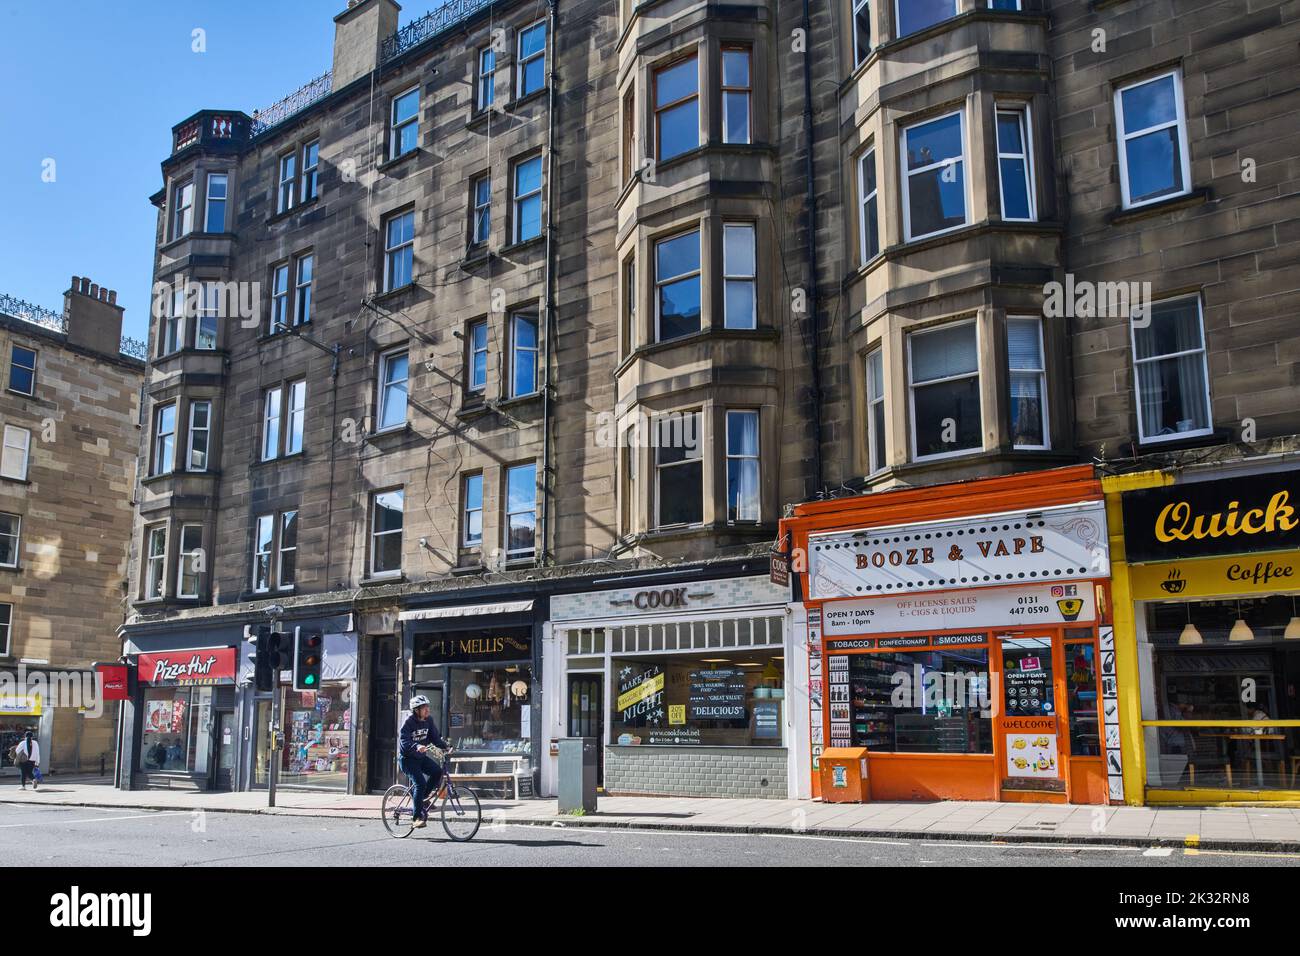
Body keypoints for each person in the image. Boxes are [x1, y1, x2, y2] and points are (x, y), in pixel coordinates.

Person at [399, 695, 451, 829]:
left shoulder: (429, 720)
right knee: (420, 783)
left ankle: (422, 799)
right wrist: (416, 746)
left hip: (420, 758)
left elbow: (435, 738)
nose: (428, 709)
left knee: (437, 772)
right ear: (416, 710)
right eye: (424, 707)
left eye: (428, 706)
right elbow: (404, 741)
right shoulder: (408, 722)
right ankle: (416, 818)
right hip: (407, 760)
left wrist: (446, 746)